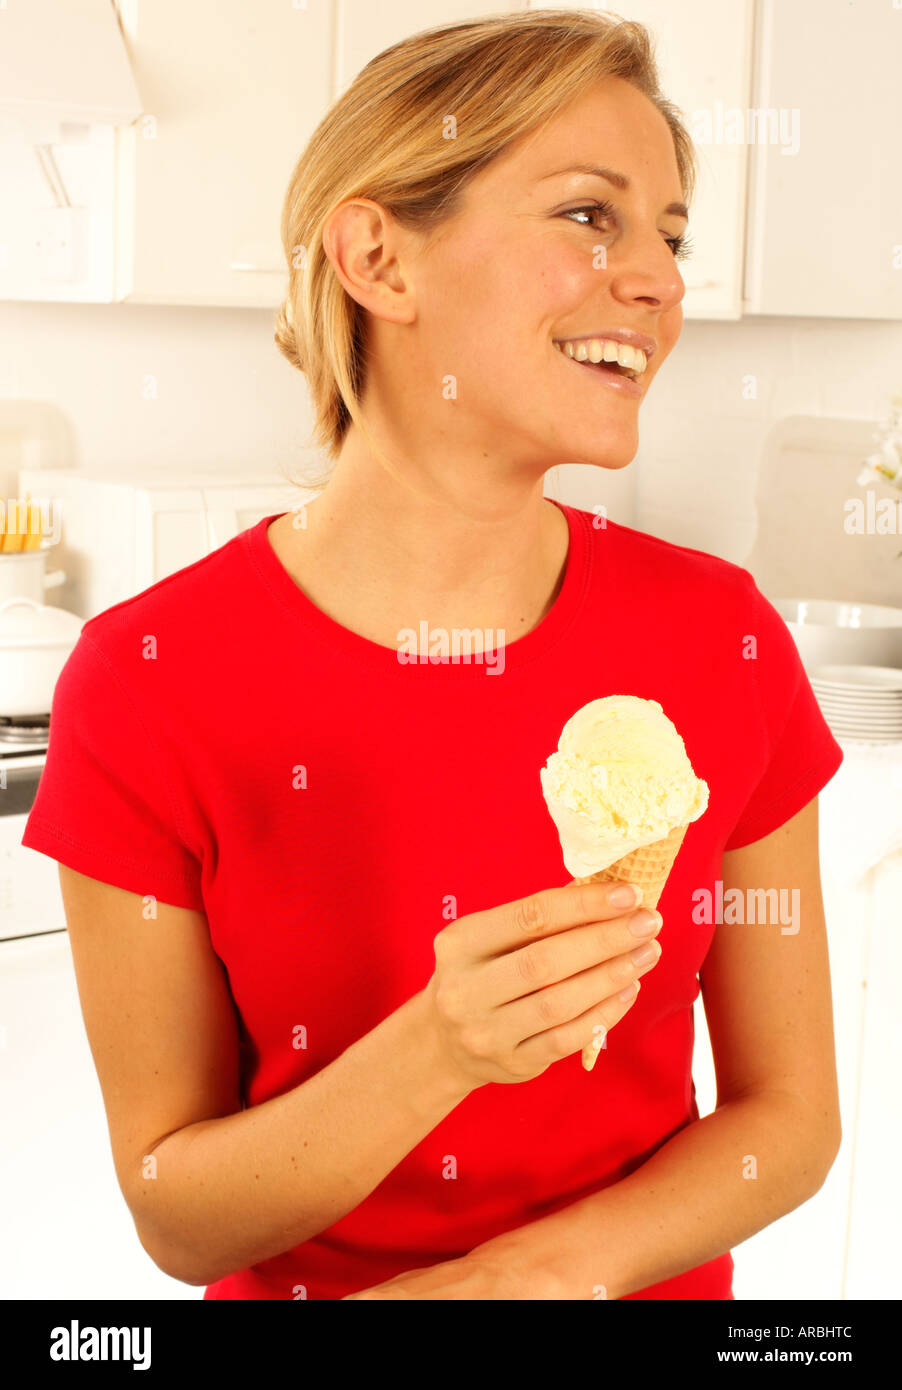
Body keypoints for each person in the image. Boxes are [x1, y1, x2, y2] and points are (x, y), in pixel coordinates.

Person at [22, 10, 843, 1301]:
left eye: (669, 236)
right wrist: (442, 1047)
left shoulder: (719, 636)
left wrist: (532, 1277)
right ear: (377, 258)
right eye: (589, 214)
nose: (659, 278)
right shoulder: (149, 674)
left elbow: (788, 1115)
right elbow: (179, 1219)